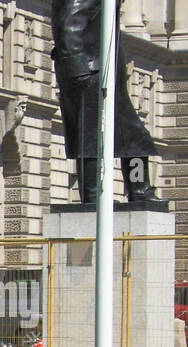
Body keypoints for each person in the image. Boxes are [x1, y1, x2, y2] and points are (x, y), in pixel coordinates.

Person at [50, 0, 162, 205]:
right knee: (89, 139)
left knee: (134, 139)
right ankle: (93, 196)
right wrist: (78, 70)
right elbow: (67, 25)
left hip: (104, 75)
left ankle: (139, 190)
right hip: (89, 73)